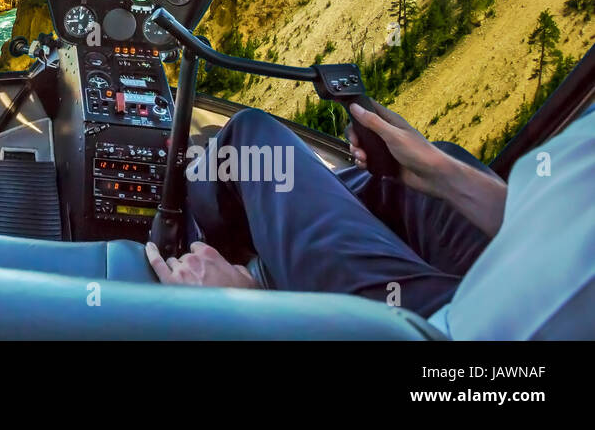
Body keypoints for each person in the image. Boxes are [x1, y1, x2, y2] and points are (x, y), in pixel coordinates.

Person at [144, 100, 595, 338]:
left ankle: (221, 250)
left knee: (255, 142)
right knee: (430, 169)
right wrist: (441, 174)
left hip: (444, 333)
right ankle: (291, 253)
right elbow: (565, 218)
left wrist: (248, 314)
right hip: (520, 267)